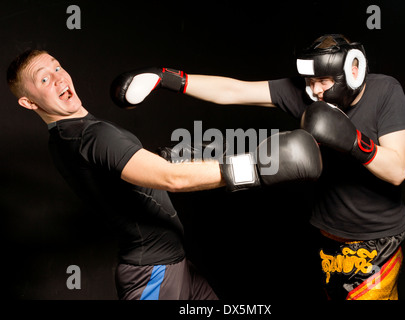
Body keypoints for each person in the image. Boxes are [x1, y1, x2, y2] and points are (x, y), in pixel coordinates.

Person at [111, 34, 405, 300]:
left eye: (323, 82)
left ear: (354, 71)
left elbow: (397, 170)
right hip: (328, 236)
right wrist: (169, 78)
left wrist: (352, 139)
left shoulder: (385, 91)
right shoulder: (305, 95)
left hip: (377, 240)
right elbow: (234, 91)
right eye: (310, 82)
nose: (316, 91)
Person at [6, 49, 322, 300]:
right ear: (27, 101)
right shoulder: (92, 136)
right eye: (44, 79)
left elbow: (116, 175)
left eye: (57, 67)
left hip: (174, 264)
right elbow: (172, 178)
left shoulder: (62, 138)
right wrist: (256, 167)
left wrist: (170, 155)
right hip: (152, 273)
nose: (59, 79)